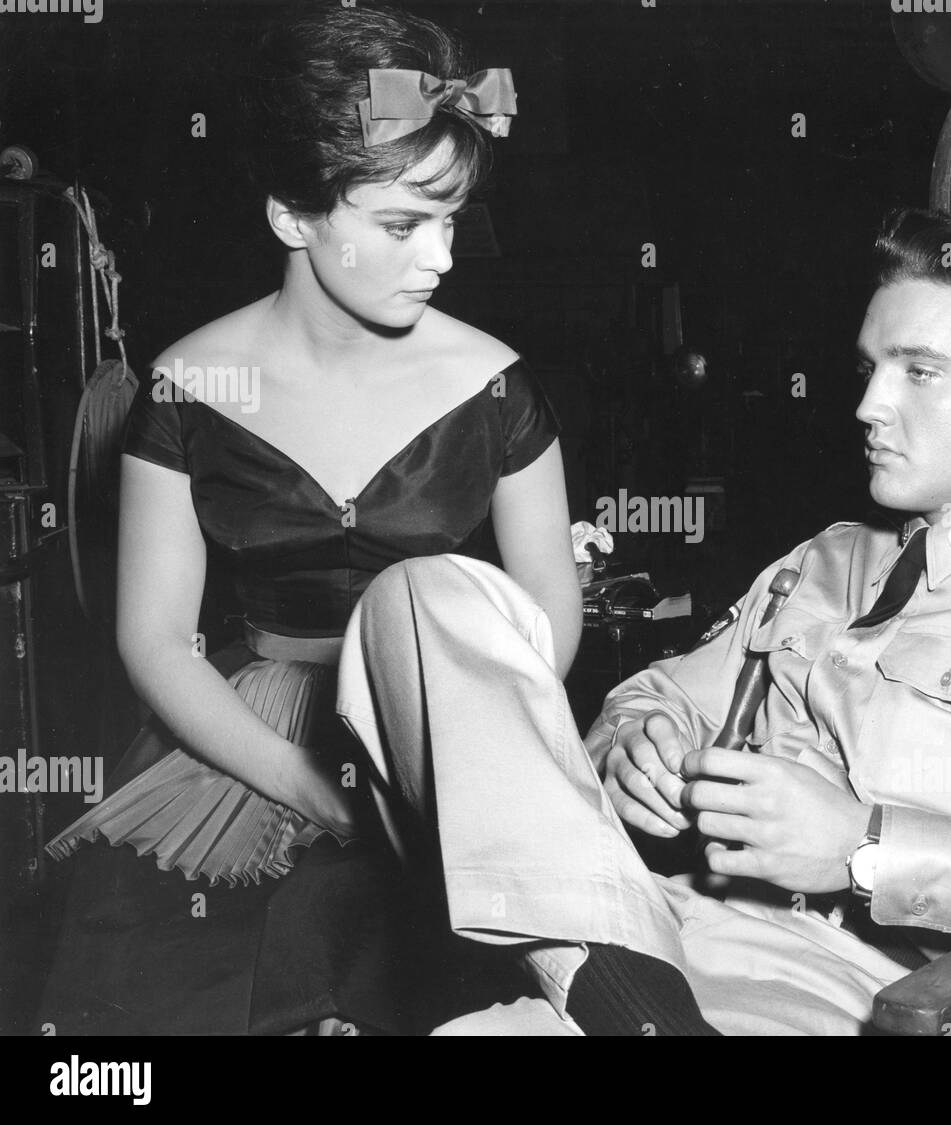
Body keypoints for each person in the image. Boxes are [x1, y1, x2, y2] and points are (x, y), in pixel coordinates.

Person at [336, 208, 951, 1035]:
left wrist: (869, 845)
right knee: (421, 596)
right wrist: (636, 741)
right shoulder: (825, 559)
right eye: (870, 369)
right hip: (667, 926)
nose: (868, 405)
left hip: (864, 991)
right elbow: (659, 693)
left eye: (920, 372)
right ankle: (618, 989)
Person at [39, 4, 579, 1035]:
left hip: (449, 733)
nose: (443, 259)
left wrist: (453, 745)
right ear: (294, 214)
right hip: (240, 746)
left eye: (452, 221)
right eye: (402, 224)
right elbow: (154, 641)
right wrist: (308, 789)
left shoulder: (499, 388)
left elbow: (548, 602)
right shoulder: (186, 388)